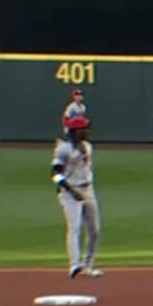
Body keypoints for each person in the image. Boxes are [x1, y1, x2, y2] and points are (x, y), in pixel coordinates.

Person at [51, 114, 103, 278]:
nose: (87, 131)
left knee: (94, 229)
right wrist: (71, 191)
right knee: (74, 227)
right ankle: (74, 265)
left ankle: (88, 265)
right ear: (76, 131)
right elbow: (55, 175)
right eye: (84, 129)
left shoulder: (87, 146)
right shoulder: (63, 149)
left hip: (87, 190)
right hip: (70, 192)